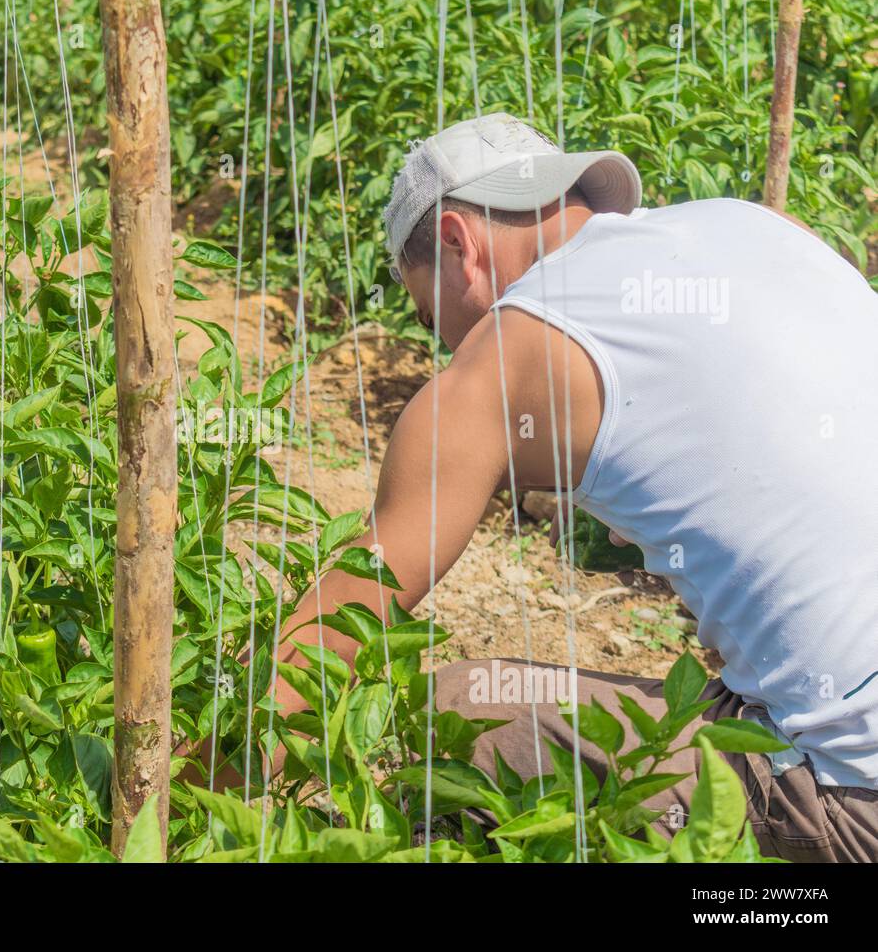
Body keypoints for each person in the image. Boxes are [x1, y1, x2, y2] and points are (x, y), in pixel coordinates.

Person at [266, 111, 878, 861]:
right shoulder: (753, 228)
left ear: (459, 243)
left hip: (852, 803)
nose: (448, 346)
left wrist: (165, 802)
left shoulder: (502, 359)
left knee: (458, 719)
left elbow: (336, 629)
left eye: (433, 320)